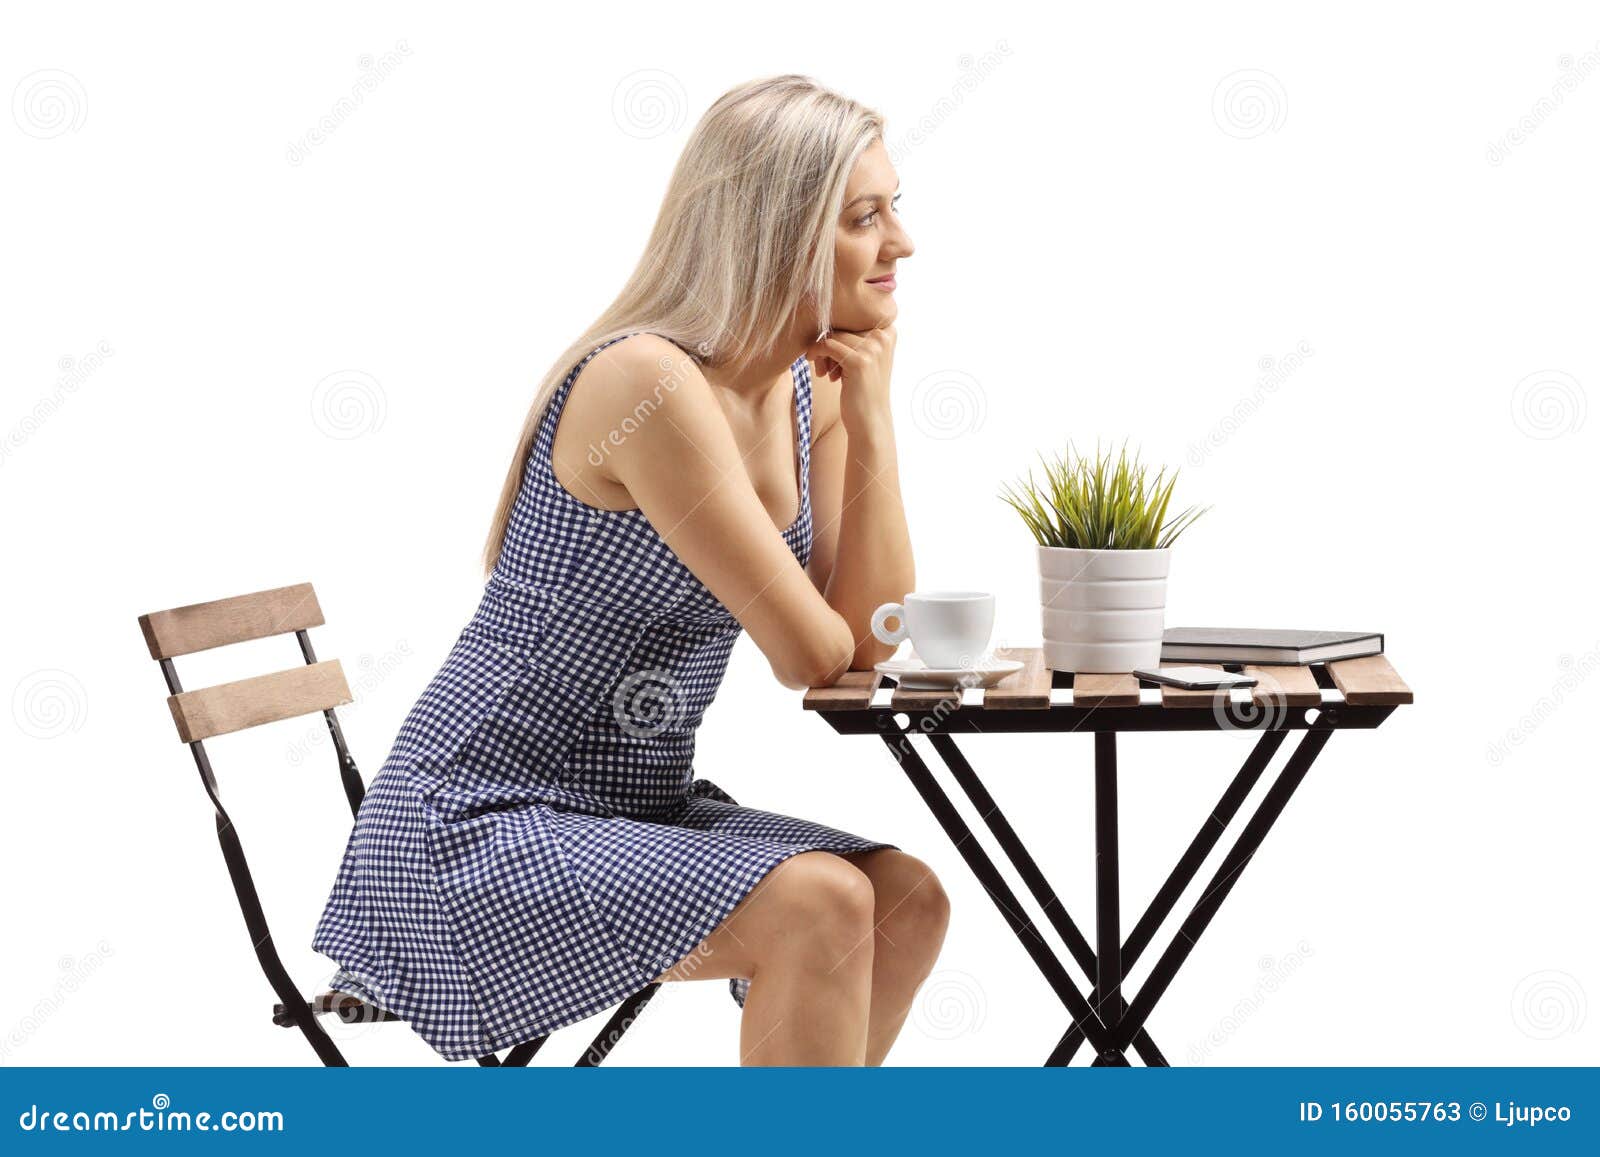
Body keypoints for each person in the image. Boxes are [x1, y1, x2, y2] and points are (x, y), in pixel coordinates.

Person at [312, 74, 948, 1066]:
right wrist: (837, 631)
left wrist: (869, 415)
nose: (900, 244)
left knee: (906, 897)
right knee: (821, 900)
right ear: (775, 231)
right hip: (468, 827)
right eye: (864, 218)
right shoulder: (646, 383)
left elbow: (870, 640)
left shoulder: (797, 390)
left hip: (627, 806)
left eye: (893, 210)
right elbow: (811, 653)